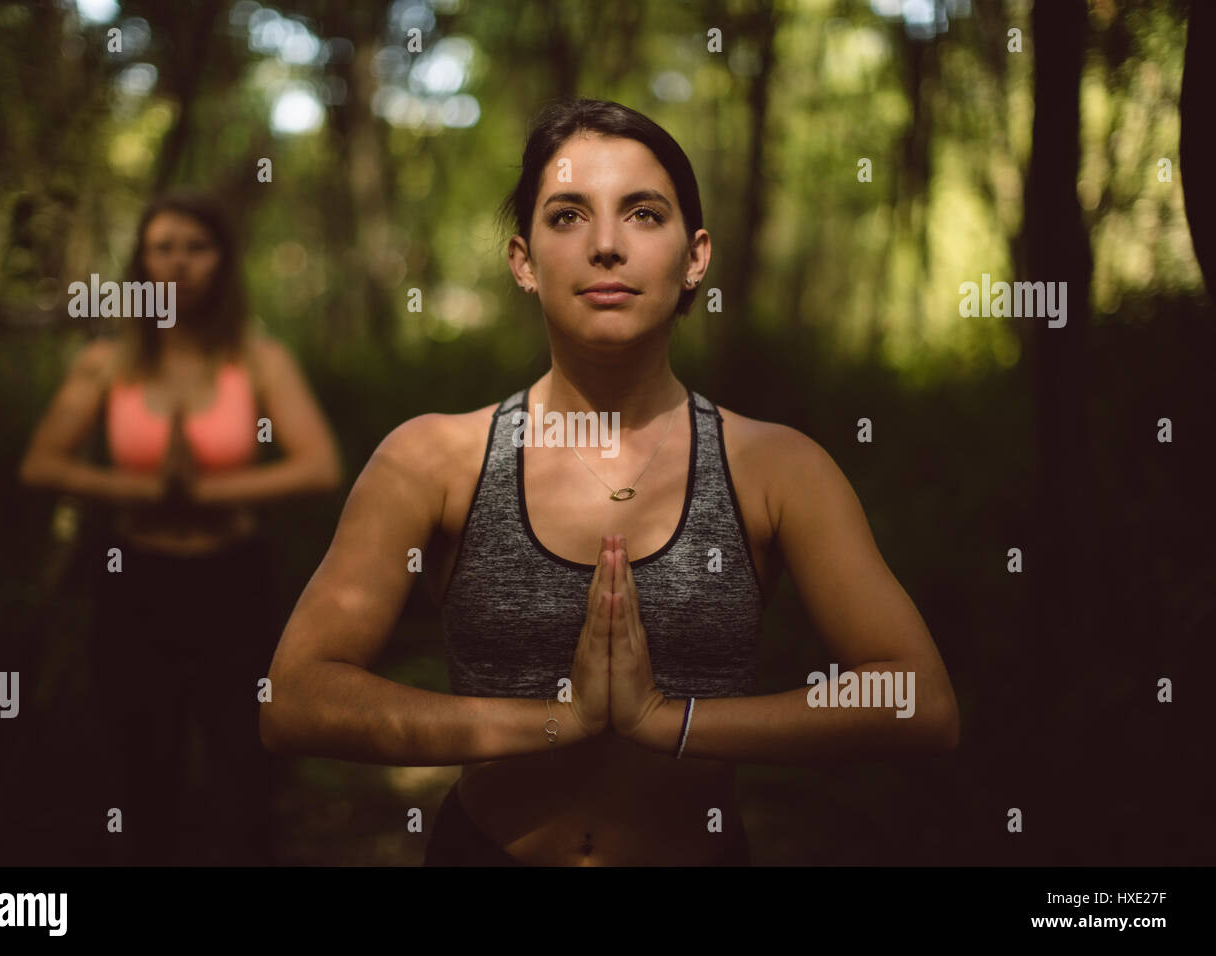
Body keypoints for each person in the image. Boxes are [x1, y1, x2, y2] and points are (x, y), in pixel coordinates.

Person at [262, 99, 960, 866]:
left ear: (695, 257)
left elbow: (918, 701)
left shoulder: (779, 468)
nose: (604, 245)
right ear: (522, 260)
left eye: (643, 214)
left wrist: (670, 722)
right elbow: (294, 699)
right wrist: (557, 721)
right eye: (567, 216)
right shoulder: (432, 458)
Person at [19, 191, 342, 865]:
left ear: (222, 262)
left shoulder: (258, 359)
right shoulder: (107, 361)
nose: (180, 263)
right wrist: (141, 491)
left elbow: (319, 466)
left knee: (247, 759)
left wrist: (208, 493)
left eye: (197, 247)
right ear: (141, 261)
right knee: (145, 763)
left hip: (233, 578)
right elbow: (41, 464)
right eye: (164, 247)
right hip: (134, 579)